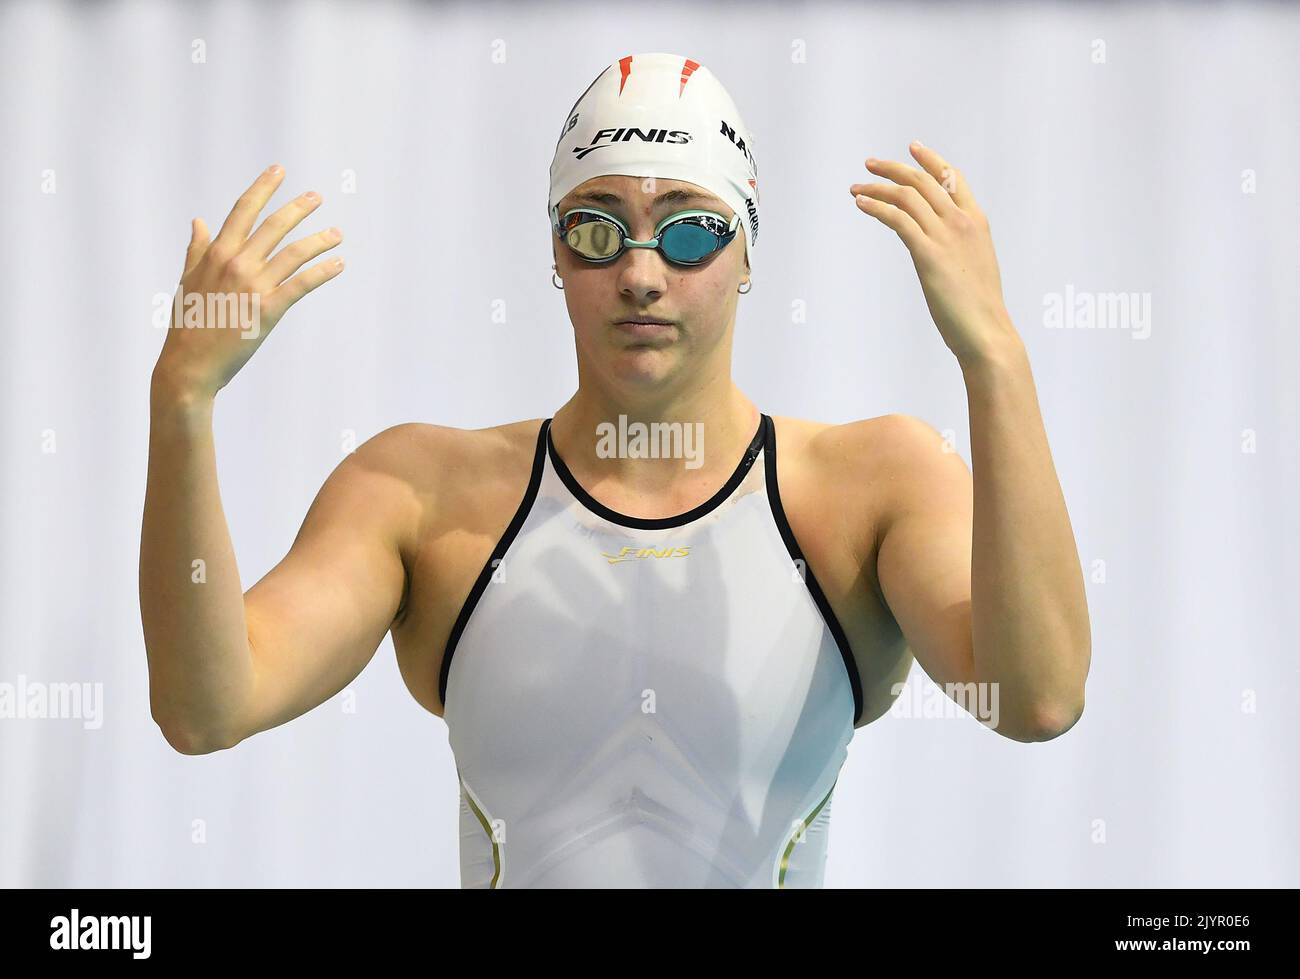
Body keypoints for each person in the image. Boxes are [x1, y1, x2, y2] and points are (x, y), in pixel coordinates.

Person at [140, 52, 1091, 888]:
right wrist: (182, 405)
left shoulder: (869, 486)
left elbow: (1038, 696)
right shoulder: (421, 496)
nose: (643, 273)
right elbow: (205, 706)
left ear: (748, 252)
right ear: (556, 253)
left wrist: (994, 359)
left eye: (688, 231)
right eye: (600, 228)